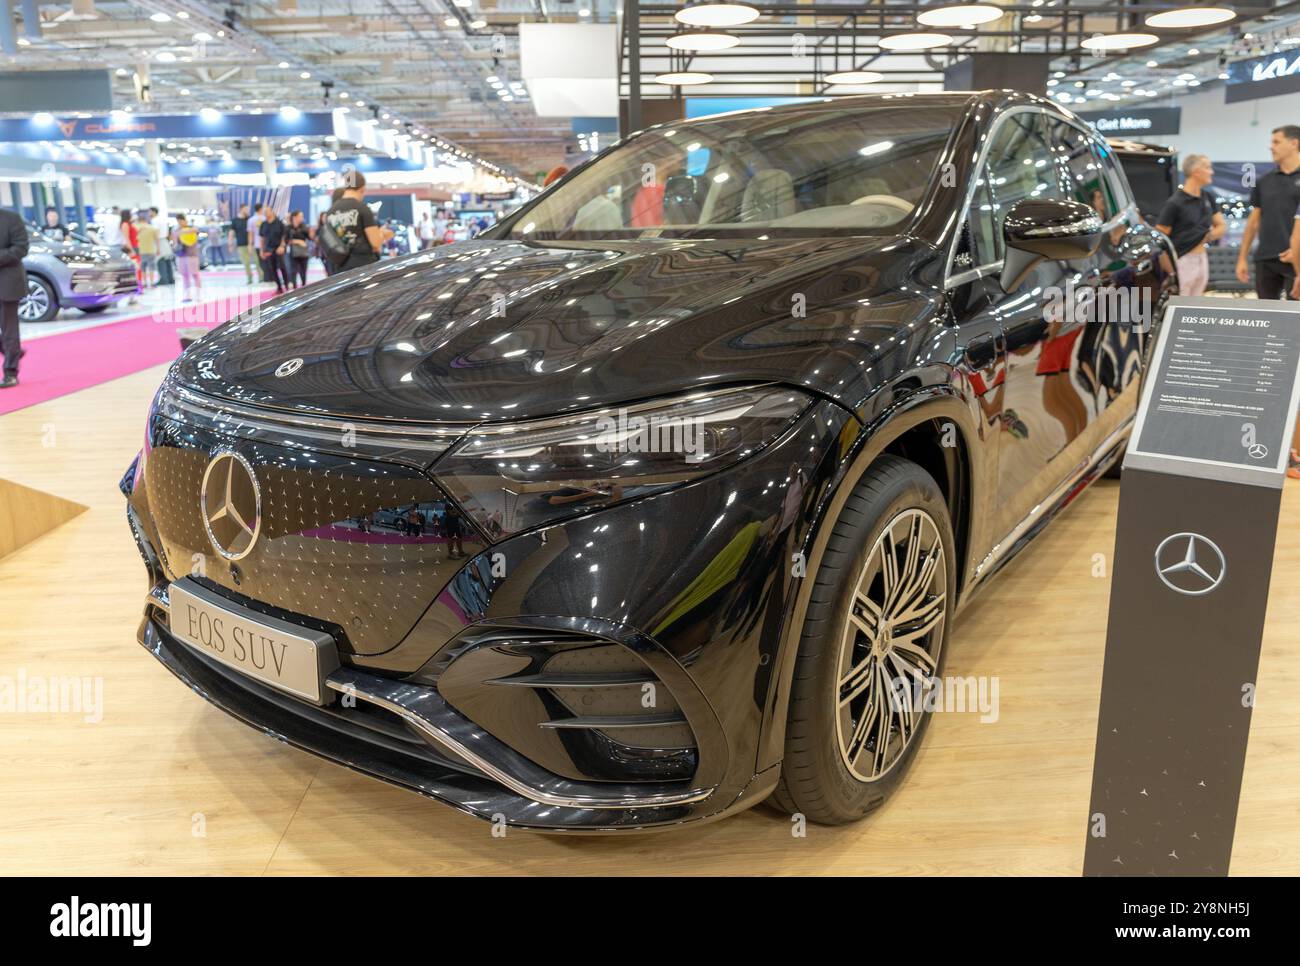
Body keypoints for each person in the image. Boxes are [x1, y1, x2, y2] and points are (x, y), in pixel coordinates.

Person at [1237, 125, 1300, 298]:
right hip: (1266, 259)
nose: (1271, 147)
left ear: (1294, 143)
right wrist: (1242, 257)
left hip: (1296, 259)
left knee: (1295, 318)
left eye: (1276, 142)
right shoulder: (1264, 181)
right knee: (1265, 317)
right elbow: (1253, 221)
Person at [1155, 154, 1225, 298]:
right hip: (1182, 259)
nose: (1211, 172)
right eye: (1207, 167)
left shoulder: (1208, 198)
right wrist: (1168, 267)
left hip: (1201, 257)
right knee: (1181, 300)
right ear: (1196, 171)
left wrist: (1207, 236)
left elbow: (1221, 226)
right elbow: (1161, 236)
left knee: (1196, 301)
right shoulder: (1175, 203)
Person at [323, 170, 389, 272]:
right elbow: (375, 243)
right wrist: (383, 234)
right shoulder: (362, 208)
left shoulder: (331, 211)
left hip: (339, 267)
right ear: (362, 188)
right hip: (363, 266)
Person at [0, 203, 28, 388]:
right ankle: (12, 351)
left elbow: (21, 248)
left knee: (9, 330)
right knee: (8, 338)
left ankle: (11, 372)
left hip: (7, 283)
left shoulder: (12, 218)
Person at [171, 213, 202, 302]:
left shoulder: (192, 227)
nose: (180, 222)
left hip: (192, 254)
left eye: (181, 220)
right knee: (185, 275)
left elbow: (196, 230)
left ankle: (198, 294)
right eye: (178, 221)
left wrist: (182, 232)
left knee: (195, 274)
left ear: (185, 220)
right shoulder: (176, 229)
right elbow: (174, 242)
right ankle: (187, 295)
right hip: (181, 255)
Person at [286, 209, 311, 289]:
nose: (302, 218)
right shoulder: (288, 228)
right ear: (294, 217)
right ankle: (294, 289)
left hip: (303, 253)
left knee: (303, 272)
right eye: (300, 216)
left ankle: (304, 288)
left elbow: (309, 238)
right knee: (293, 272)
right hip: (293, 253)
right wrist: (298, 241)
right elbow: (286, 240)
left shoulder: (304, 227)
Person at [134, 208, 159, 288]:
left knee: (142, 268)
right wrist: (158, 249)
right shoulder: (152, 228)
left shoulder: (135, 228)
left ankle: (143, 283)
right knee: (152, 267)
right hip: (151, 250)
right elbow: (156, 240)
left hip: (139, 250)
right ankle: (152, 283)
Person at [229, 204, 254, 285]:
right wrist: (230, 244)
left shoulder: (249, 219)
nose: (247, 211)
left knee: (258, 262)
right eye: (246, 209)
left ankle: (262, 278)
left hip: (252, 244)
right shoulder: (235, 220)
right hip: (241, 244)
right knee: (246, 263)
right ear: (241, 209)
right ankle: (250, 279)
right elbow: (231, 232)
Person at [247, 202, 267, 282]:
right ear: (261, 209)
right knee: (266, 262)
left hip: (257, 244)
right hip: (266, 243)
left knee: (259, 262)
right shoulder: (265, 218)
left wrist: (250, 245)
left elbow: (250, 234)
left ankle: (261, 278)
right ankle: (267, 277)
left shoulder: (251, 220)